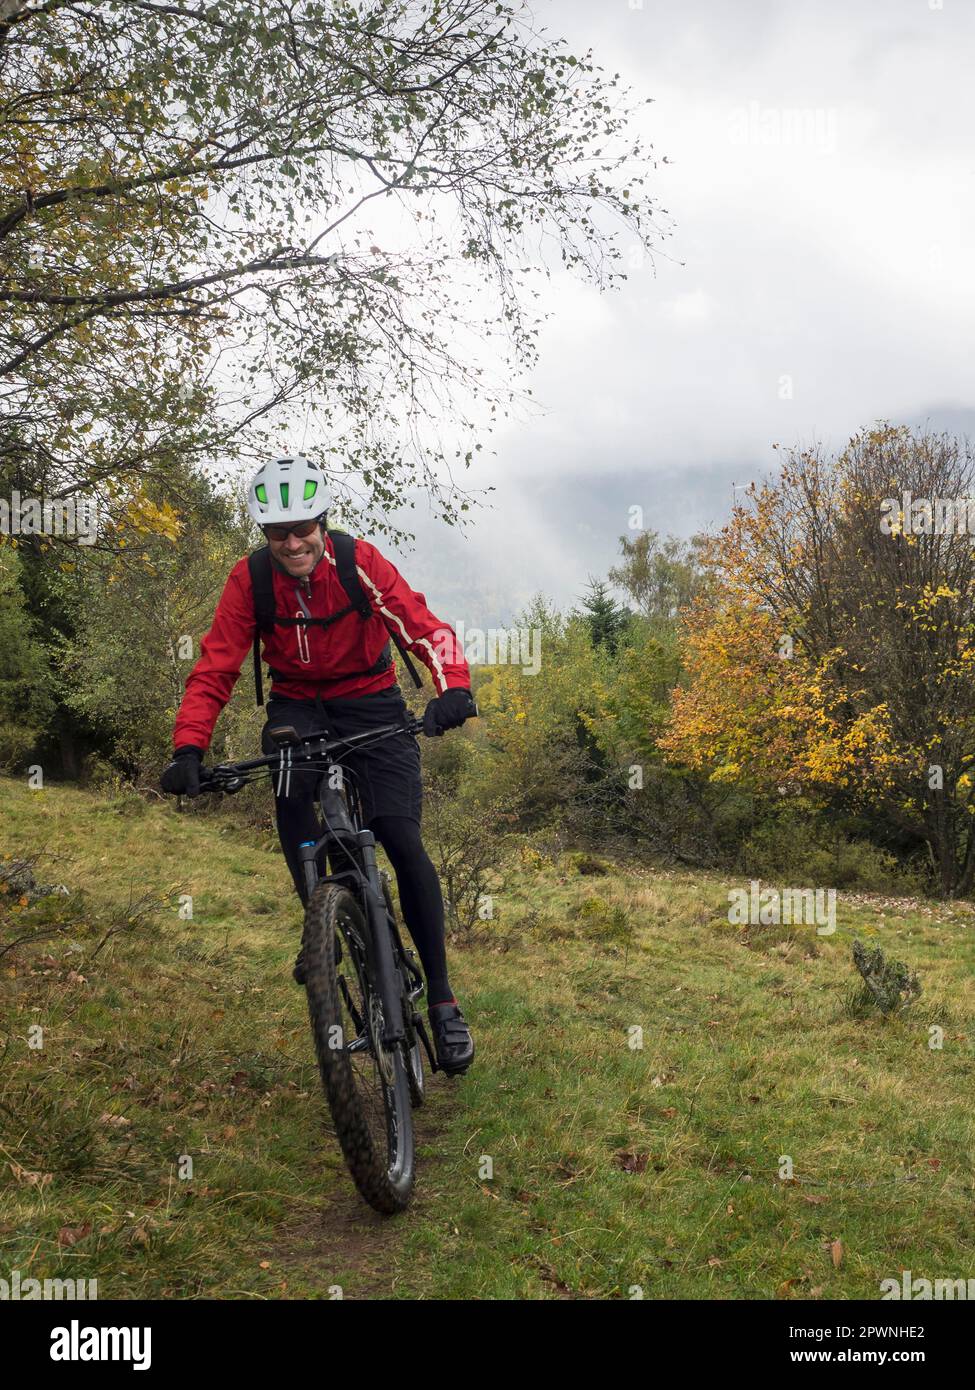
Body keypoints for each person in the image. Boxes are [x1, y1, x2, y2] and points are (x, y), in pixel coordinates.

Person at [160, 454, 477, 1076]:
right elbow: (216, 665)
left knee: (400, 837)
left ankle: (442, 1000)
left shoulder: (359, 563)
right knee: (289, 792)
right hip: (297, 707)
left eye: (302, 527)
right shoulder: (249, 581)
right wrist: (189, 748)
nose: (292, 541)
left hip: (372, 702)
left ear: (322, 522)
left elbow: (424, 627)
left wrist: (452, 688)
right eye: (278, 532)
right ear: (263, 534)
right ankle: (321, 924)